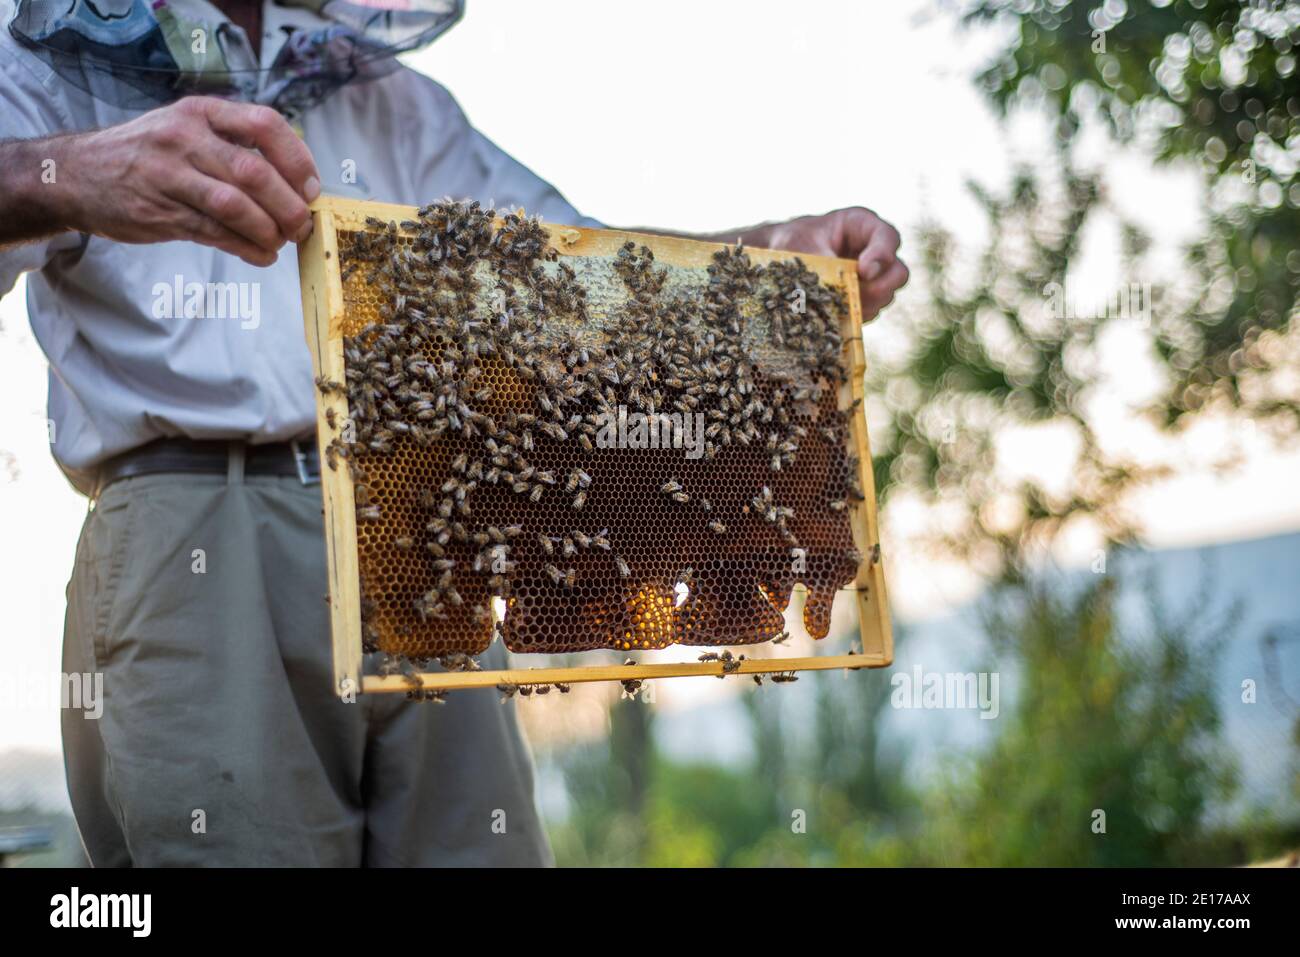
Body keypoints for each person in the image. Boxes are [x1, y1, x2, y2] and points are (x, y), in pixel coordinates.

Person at [0, 0, 909, 866]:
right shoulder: (47, 59)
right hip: (200, 535)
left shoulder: (387, 98)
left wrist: (778, 254)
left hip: (424, 532)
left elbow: (583, 265)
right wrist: (74, 172)